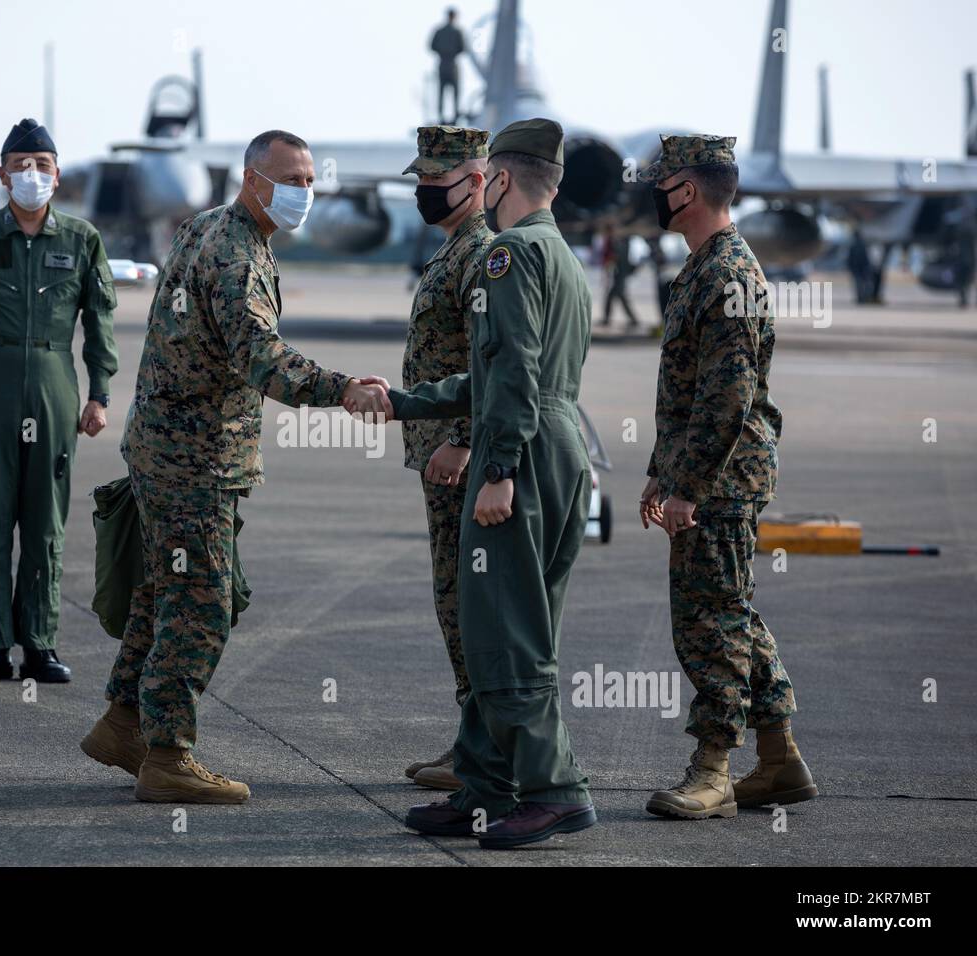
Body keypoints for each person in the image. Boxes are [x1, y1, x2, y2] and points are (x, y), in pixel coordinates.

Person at [80, 130, 393, 805]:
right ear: (253, 179)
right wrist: (342, 388)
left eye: (311, 180)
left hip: (166, 450)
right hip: (193, 463)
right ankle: (168, 756)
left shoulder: (208, 228)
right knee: (202, 605)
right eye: (292, 180)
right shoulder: (235, 254)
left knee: (162, 593)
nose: (304, 193)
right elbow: (261, 356)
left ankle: (123, 723)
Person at [365, 119, 597, 850]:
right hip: (556, 442)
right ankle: (485, 784)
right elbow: (496, 374)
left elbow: (512, 380)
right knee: (506, 618)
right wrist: (406, 401)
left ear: (496, 179)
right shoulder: (559, 254)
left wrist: (494, 471)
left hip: (519, 452)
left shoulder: (508, 257)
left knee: (504, 629)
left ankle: (556, 791)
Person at [637, 134, 817, 820]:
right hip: (706, 470)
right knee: (734, 610)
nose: (654, 193)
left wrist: (689, 487)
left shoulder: (729, 274)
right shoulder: (704, 267)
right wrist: (663, 470)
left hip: (721, 478)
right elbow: (688, 390)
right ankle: (778, 762)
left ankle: (713, 769)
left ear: (687, 190)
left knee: (707, 622)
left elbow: (728, 397)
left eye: (662, 182)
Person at [0, 118, 118, 683]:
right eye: (20, 166)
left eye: (41, 166)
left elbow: (100, 321)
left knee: (45, 524)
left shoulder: (82, 240)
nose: (31, 175)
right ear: (2, 174)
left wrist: (100, 393)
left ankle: (40, 643)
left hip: (55, 384)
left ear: (58, 177)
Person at [397, 125, 493, 791]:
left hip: (462, 457)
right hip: (440, 455)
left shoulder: (483, 255)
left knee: (469, 601)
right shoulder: (452, 250)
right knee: (452, 599)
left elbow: (490, 361)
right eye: (423, 182)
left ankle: (483, 749)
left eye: (439, 181)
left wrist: (459, 437)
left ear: (477, 181)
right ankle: (473, 737)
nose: (427, 193)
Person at [599, 225, 640, 328]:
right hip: (619, 274)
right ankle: (632, 319)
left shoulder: (613, 242)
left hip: (619, 274)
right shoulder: (615, 241)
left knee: (615, 296)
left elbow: (614, 257)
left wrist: (608, 268)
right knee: (619, 296)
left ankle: (608, 319)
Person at [430, 8, 466, 125]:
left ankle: (444, 117)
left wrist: (442, 51)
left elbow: (432, 46)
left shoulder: (440, 31)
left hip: (444, 63)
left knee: (443, 92)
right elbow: (463, 48)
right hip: (451, 64)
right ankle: (452, 118)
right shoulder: (457, 32)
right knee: (452, 93)